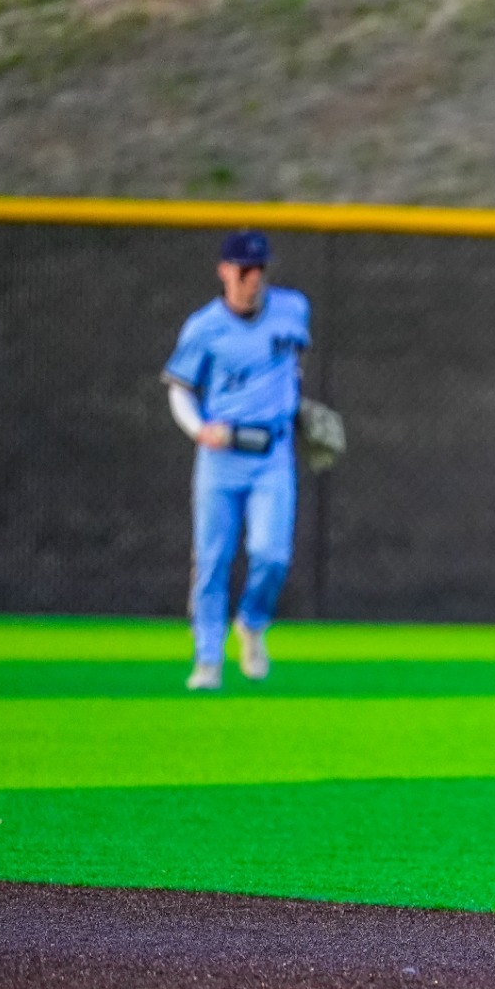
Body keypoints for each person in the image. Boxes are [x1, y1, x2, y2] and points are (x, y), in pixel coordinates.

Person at [161, 231, 310, 691]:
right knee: (211, 560)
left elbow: (290, 364)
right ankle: (207, 659)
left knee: (271, 555)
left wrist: (295, 406)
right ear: (224, 271)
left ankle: (251, 621)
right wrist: (196, 428)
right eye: (245, 270)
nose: (253, 279)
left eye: (259, 269)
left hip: (272, 452)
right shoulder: (204, 327)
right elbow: (180, 387)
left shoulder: (293, 309)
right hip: (221, 456)